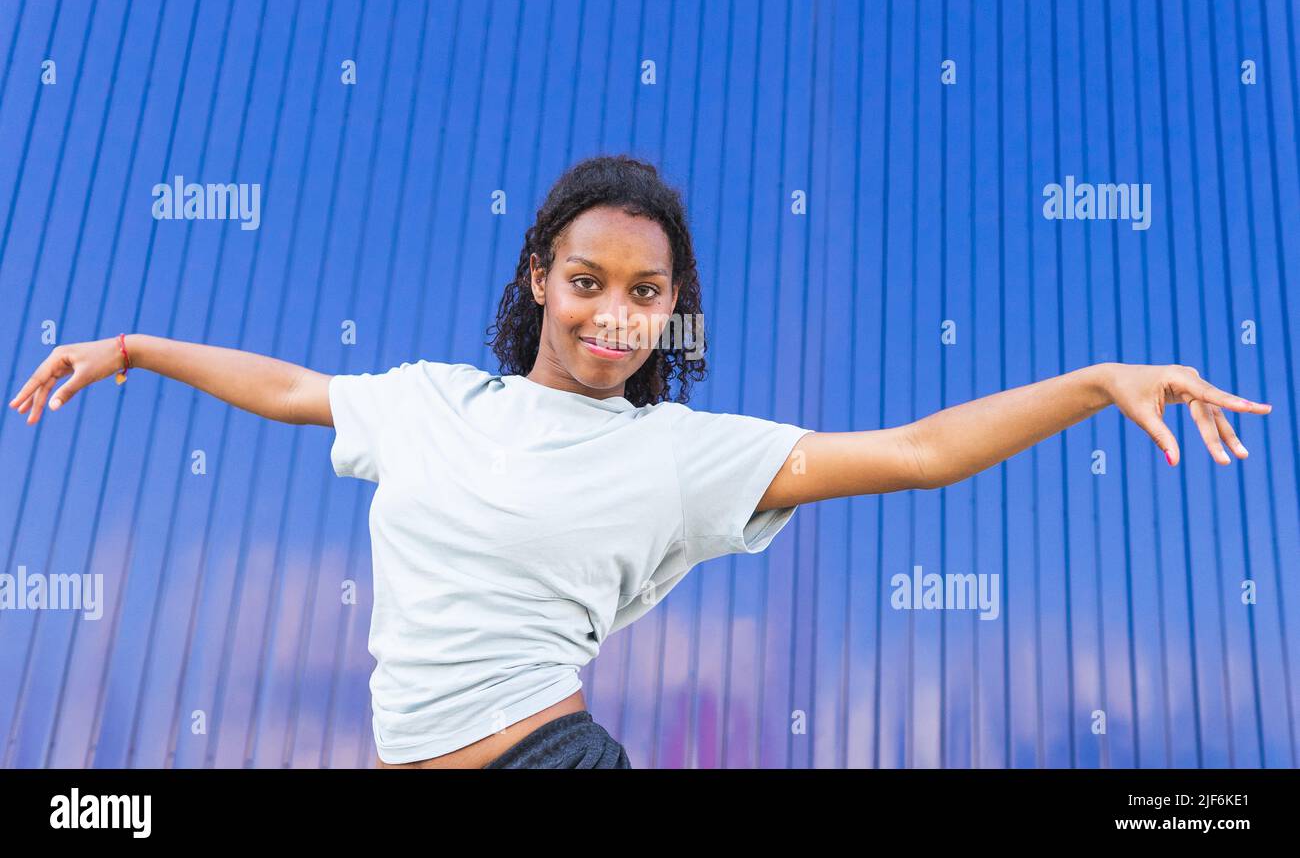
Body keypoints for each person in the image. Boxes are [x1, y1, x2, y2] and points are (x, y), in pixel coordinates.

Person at [8, 155, 1272, 769]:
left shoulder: (680, 457)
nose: (615, 312)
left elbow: (922, 452)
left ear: (674, 307)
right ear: (538, 281)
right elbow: (285, 386)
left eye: (647, 291)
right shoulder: (426, 401)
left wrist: (1100, 380)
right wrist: (128, 347)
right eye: (588, 281)